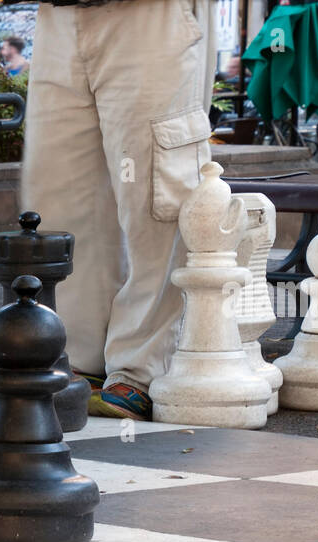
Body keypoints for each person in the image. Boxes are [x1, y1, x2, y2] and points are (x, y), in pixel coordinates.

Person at [20, 0, 215, 420]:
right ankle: (76, 356)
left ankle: (142, 368)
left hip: (149, 14)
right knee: (59, 196)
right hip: (57, 15)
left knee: (153, 192)